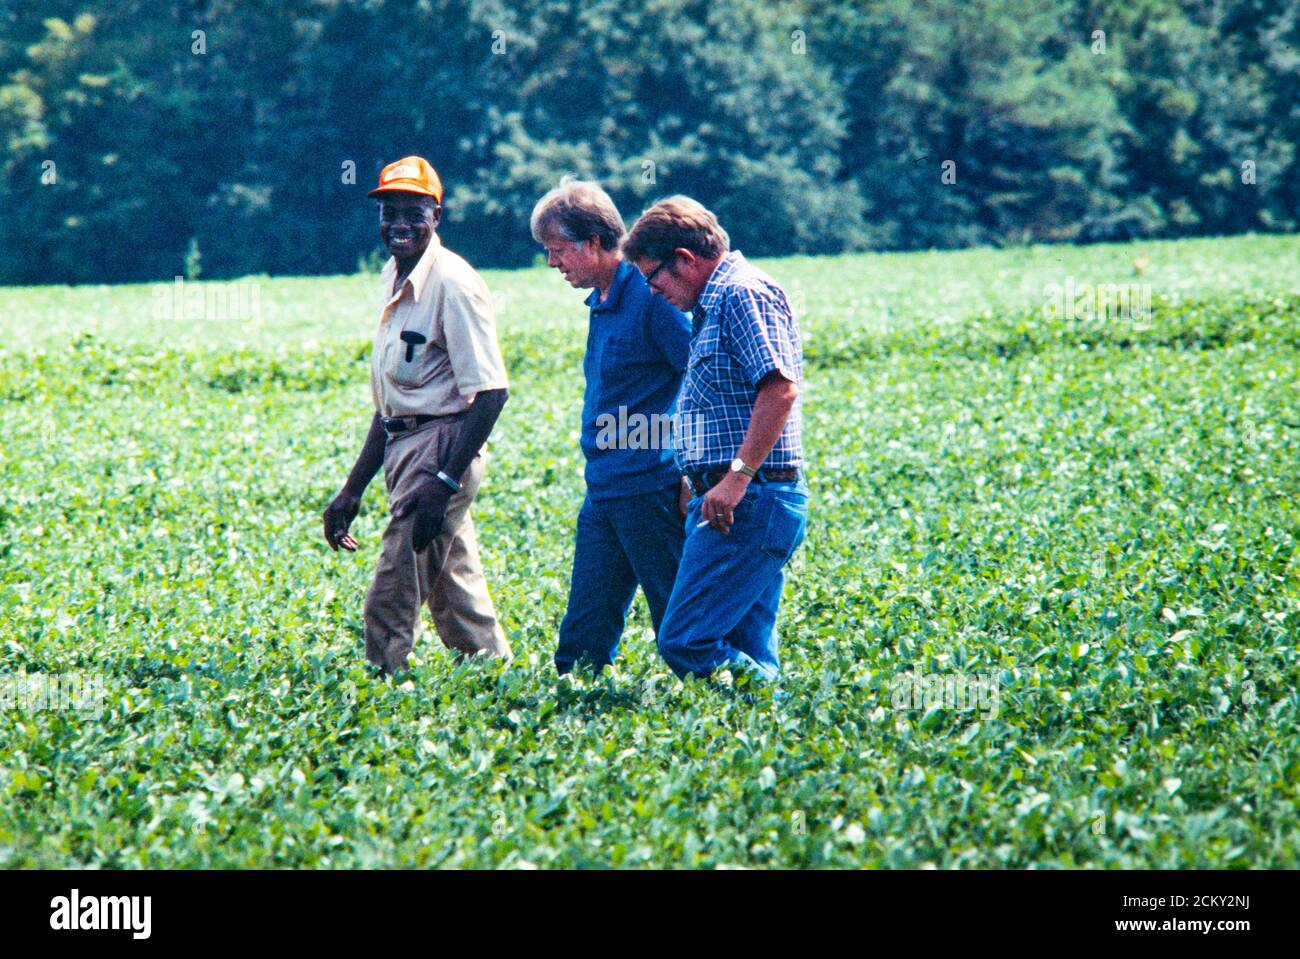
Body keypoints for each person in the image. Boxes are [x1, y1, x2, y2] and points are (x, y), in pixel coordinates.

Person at [323, 155, 512, 675]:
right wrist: (353, 488)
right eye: (389, 212)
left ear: (437, 217)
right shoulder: (393, 274)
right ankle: (495, 679)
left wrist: (444, 480)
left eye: (413, 212)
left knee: (393, 589)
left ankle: (381, 689)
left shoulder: (453, 283)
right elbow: (391, 407)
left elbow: (491, 394)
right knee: (454, 588)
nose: (398, 224)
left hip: (442, 450)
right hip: (407, 448)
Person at [622, 196, 808, 683]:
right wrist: (698, 477)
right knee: (746, 646)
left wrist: (736, 478)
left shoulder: (742, 294)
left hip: (751, 500)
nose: (652, 290)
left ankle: (783, 711)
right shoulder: (713, 305)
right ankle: (766, 743)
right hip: (731, 498)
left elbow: (779, 388)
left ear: (684, 259)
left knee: (686, 640)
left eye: (653, 276)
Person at [530, 178, 693, 674]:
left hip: (652, 487)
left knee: (680, 625)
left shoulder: (652, 299)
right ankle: (572, 711)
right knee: (584, 630)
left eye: (559, 250)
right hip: (605, 488)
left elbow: (702, 379)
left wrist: (691, 470)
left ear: (596, 243)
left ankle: (721, 711)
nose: (553, 263)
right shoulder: (602, 300)